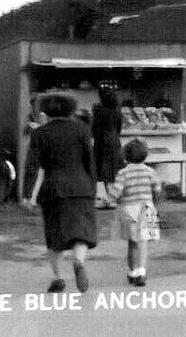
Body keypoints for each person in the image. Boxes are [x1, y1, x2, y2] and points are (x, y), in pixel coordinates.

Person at [25, 93, 98, 293]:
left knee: (55, 234)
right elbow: (90, 162)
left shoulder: (40, 134)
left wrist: (27, 194)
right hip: (81, 187)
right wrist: (92, 188)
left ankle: (58, 278)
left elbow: (32, 166)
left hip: (53, 189)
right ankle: (79, 262)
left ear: (46, 112)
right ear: (71, 110)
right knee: (81, 231)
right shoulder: (82, 129)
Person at [107, 138, 162, 286]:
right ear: (145, 155)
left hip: (129, 209)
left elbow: (116, 191)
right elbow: (157, 189)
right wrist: (154, 202)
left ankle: (132, 271)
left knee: (132, 243)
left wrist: (109, 200)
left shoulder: (123, 173)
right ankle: (142, 271)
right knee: (144, 241)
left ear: (125, 156)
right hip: (148, 207)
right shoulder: (150, 171)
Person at [91, 82, 125, 209]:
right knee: (114, 170)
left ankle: (108, 198)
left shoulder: (98, 109)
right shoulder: (117, 108)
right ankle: (113, 198)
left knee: (103, 170)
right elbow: (119, 126)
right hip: (114, 140)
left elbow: (93, 128)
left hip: (101, 141)